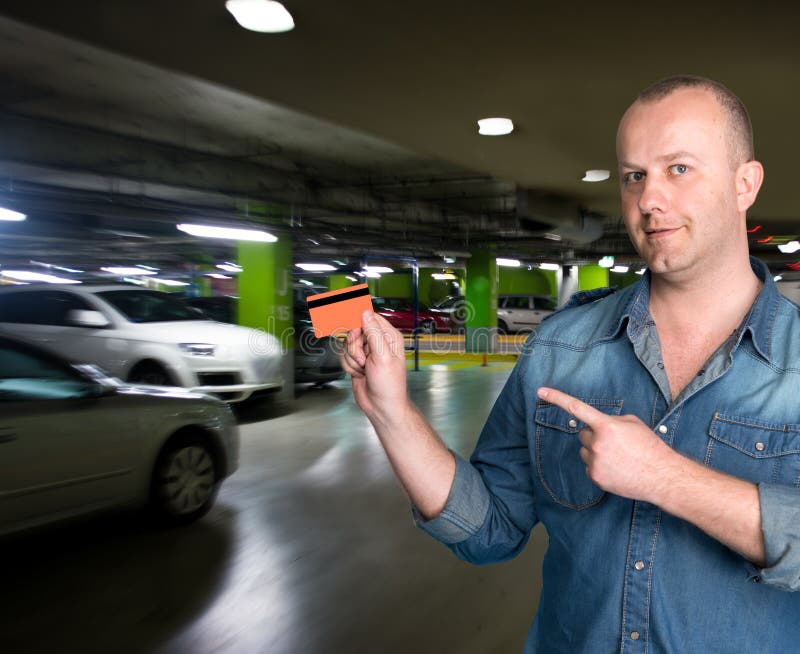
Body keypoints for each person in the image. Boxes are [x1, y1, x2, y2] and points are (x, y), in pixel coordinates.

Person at [340, 75, 800, 653]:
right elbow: (490, 529)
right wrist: (391, 413)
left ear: (744, 184)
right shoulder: (561, 349)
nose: (649, 199)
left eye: (678, 168)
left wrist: (665, 477)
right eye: (634, 175)